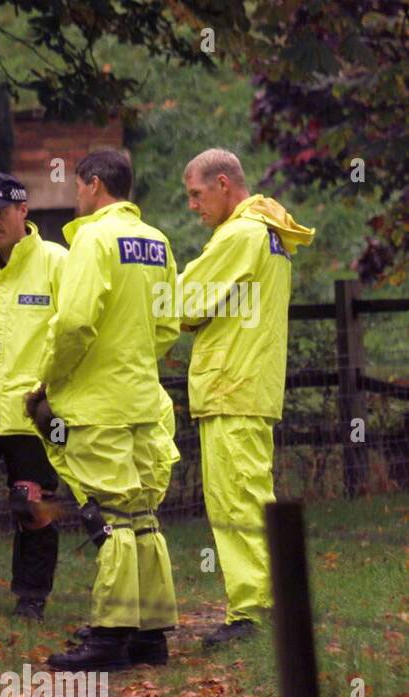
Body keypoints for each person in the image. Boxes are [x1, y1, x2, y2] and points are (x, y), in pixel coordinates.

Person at [26, 149, 180, 671]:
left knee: (111, 515)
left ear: (93, 185)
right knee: (141, 515)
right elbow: (166, 325)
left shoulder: (93, 239)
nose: (75, 197)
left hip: (96, 403)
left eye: (76, 187)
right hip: (141, 398)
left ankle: (110, 635)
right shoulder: (157, 242)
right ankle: (151, 634)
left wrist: (49, 378)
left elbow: (73, 324)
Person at [177, 148, 315, 648]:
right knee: (248, 495)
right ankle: (264, 604)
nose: (193, 206)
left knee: (237, 499)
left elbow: (183, 302)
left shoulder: (239, 235)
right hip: (246, 383)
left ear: (222, 183)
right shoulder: (269, 234)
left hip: (231, 384)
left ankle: (253, 613)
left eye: (196, 194)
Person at [0, 173, 68, 620]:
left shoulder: (55, 262)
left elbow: (73, 328)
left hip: (32, 405)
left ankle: (32, 595)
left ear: (23, 210)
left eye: (1, 213)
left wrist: (52, 388)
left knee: (32, 502)